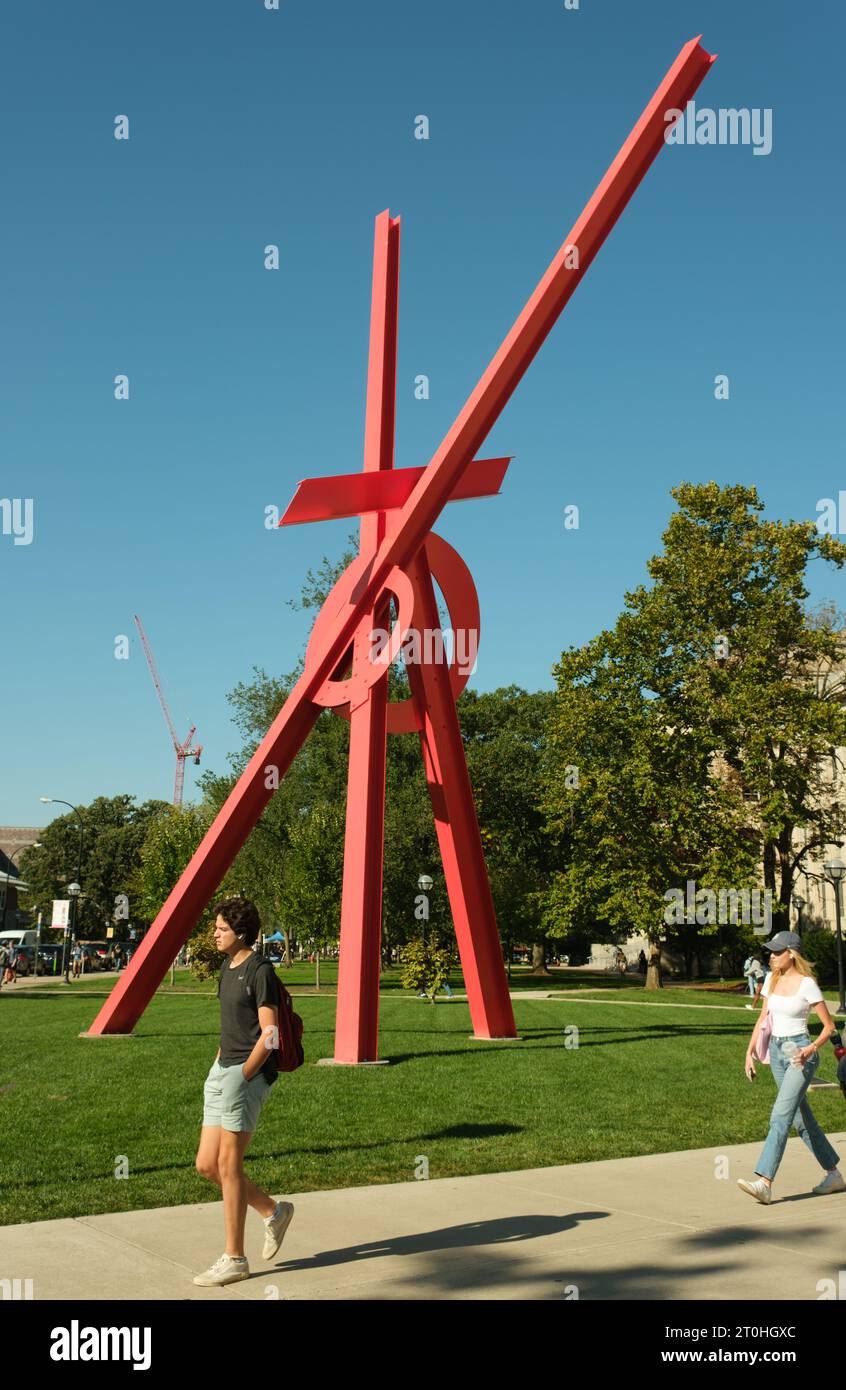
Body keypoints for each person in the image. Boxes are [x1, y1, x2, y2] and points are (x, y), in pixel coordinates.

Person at [193, 897, 294, 1287]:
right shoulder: (227, 966)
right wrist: (218, 1067)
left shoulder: (260, 970)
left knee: (229, 1165)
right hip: (222, 1071)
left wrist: (243, 1074)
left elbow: (270, 1034)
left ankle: (235, 1257)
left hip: (246, 1075)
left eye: (221, 929)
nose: (214, 934)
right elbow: (232, 1026)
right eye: (215, 928)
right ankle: (273, 1211)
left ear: (240, 933)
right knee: (207, 1165)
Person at [738, 931, 844, 1203]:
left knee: (780, 1114)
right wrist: (749, 1052)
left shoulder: (807, 984)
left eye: (777, 952)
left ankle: (764, 1181)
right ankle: (833, 1174)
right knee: (799, 1118)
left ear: (792, 954)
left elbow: (829, 1027)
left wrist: (810, 1049)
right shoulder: (772, 979)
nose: (771, 956)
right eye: (771, 952)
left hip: (800, 1052)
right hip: (777, 1049)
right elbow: (764, 1018)